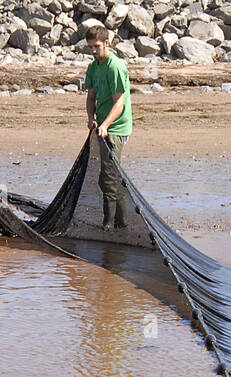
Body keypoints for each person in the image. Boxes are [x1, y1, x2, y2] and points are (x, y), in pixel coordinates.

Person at [84, 25, 133, 229]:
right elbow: (91, 97)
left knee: (110, 178)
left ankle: (109, 224)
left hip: (117, 127)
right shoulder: (94, 67)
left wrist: (105, 125)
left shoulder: (116, 67)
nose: (93, 51)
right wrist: (91, 117)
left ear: (107, 43)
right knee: (107, 177)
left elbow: (119, 103)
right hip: (102, 125)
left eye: (96, 46)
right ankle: (122, 222)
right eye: (90, 47)